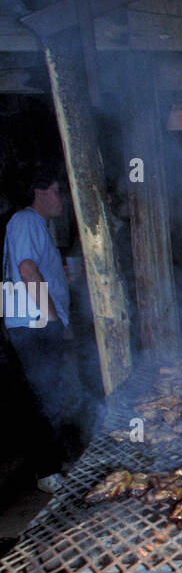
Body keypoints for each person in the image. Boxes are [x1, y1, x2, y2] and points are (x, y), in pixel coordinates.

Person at [2, 167, 74, 493]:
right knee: (43, 397)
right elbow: (27, 269)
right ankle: (46, 472)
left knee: (50, 394)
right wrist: (51, 316)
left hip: (37, 322)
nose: (63, 198)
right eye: (58, 190)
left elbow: (37, 269)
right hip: (34, 324)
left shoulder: (38, 226)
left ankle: (54, 463)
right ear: (40, 191)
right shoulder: (25, 221)